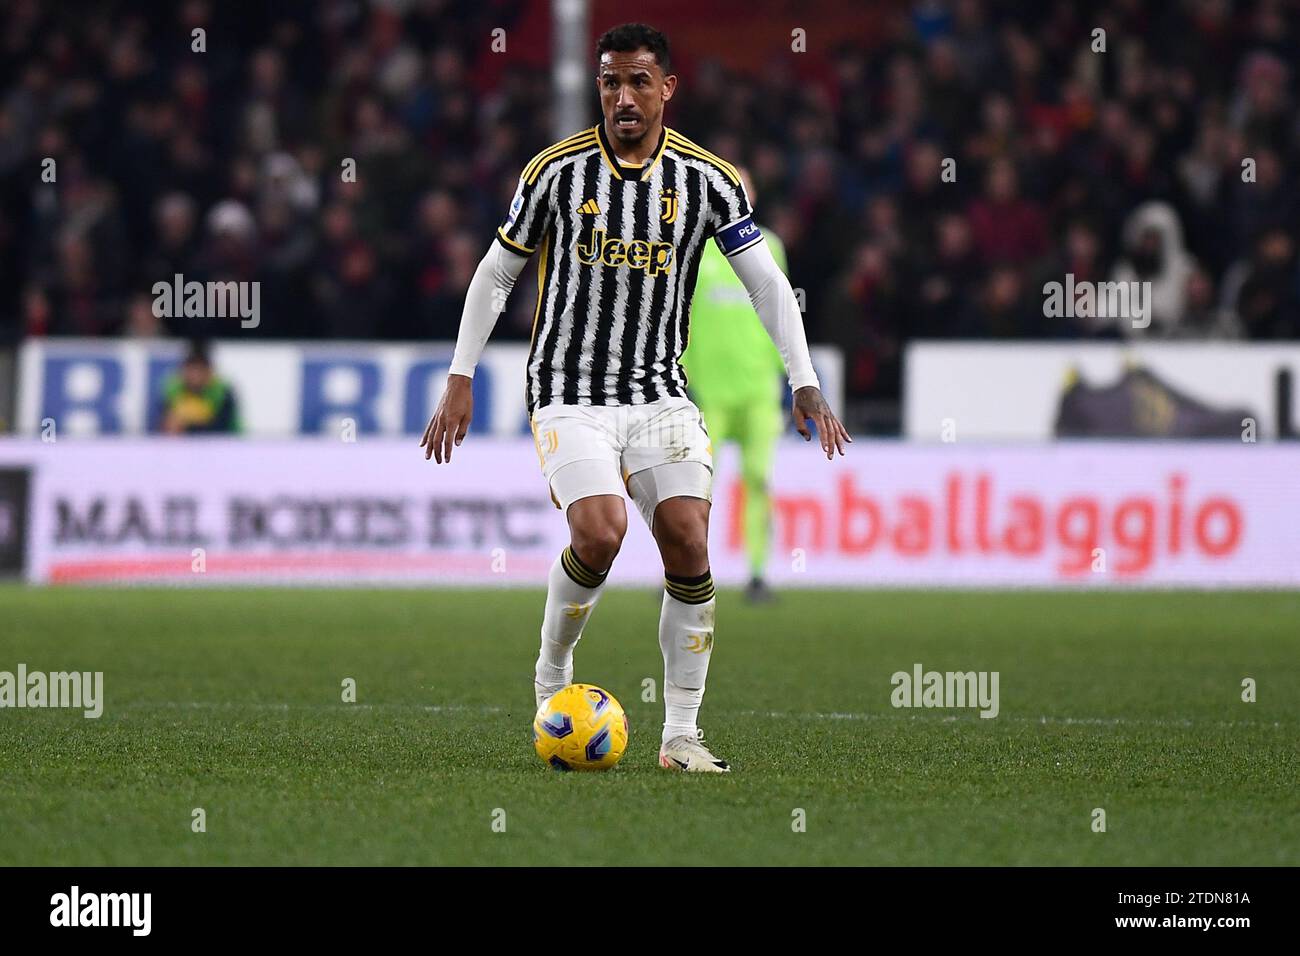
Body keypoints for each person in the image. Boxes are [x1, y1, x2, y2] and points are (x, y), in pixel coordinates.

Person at [421, 23, 850, 773]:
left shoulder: (708, 180)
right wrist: (460, 376)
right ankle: (551, 674)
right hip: (568, 388)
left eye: (638, 83)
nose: (623, 97)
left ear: (667, 89)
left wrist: (804, 378)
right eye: (610, 82)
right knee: (601, 530)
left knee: (687, 539)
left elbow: (766, 284)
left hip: (659, 393)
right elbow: (495, 275)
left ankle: (681, 734)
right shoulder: (554, 173)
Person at [680, 167, 787, 603]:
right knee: (696, 487)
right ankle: (687, 573)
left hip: (759, 389)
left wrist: (789, 375)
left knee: (759, 479)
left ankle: (758, 575)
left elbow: (781, 311)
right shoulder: (695, 250)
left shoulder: (770, 246)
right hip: (708, 393)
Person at [158, 341, 240, 434]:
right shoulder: (173, 389)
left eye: (199, 371)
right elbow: (164, 421)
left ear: (209, 372)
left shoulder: (222, 391)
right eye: (191, 370)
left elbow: (221, 426)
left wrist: (187, 425)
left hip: (227, 441)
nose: (195, 376)